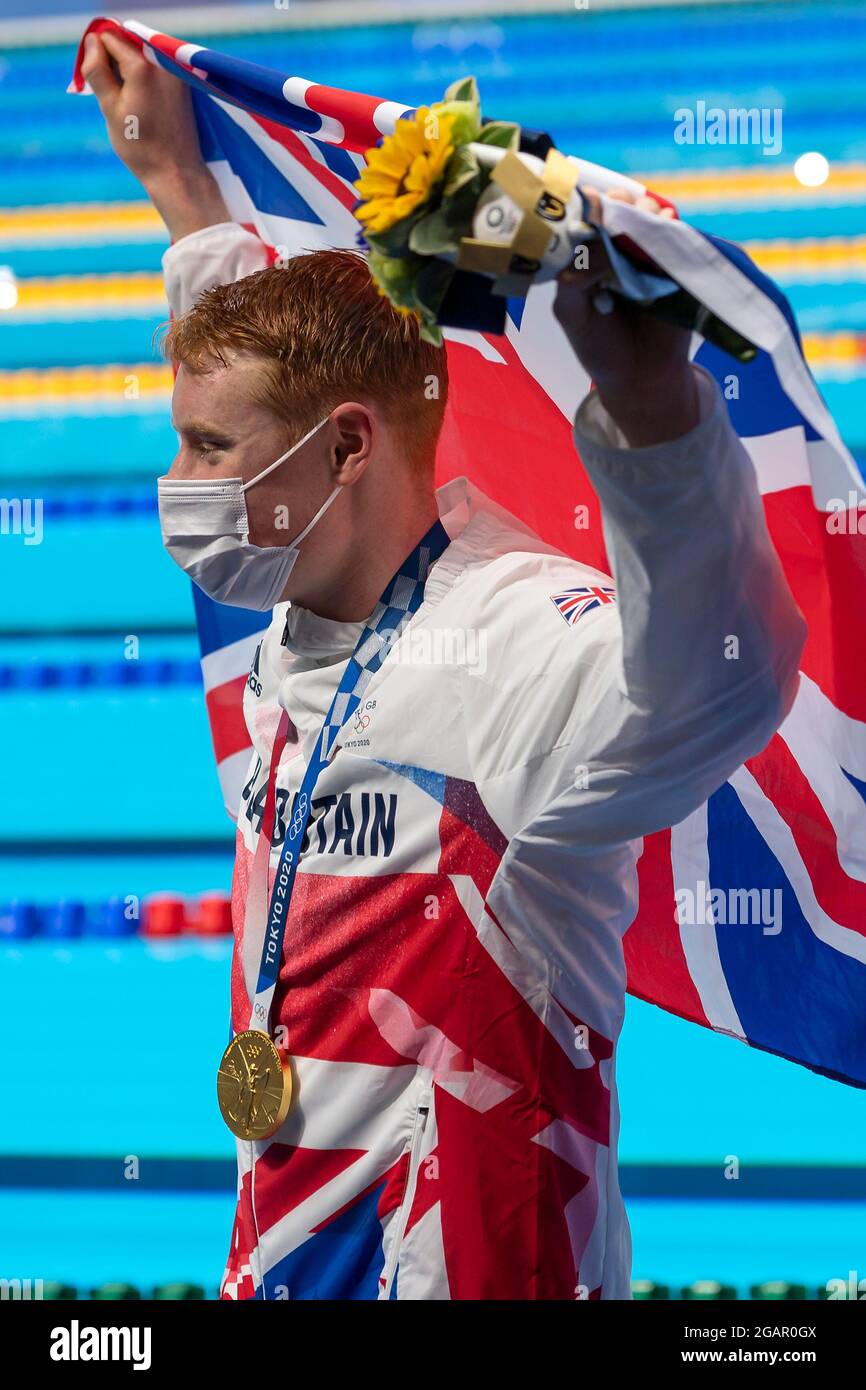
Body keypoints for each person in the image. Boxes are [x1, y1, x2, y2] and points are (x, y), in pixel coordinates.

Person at [83, 31, 806, 1300]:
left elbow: (715, 676)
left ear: (347, 451)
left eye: (206, 450)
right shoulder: (291, 608)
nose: (178, 490)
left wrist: (649, 409)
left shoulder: (513, 643)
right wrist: (184, 193)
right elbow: (260, 377)